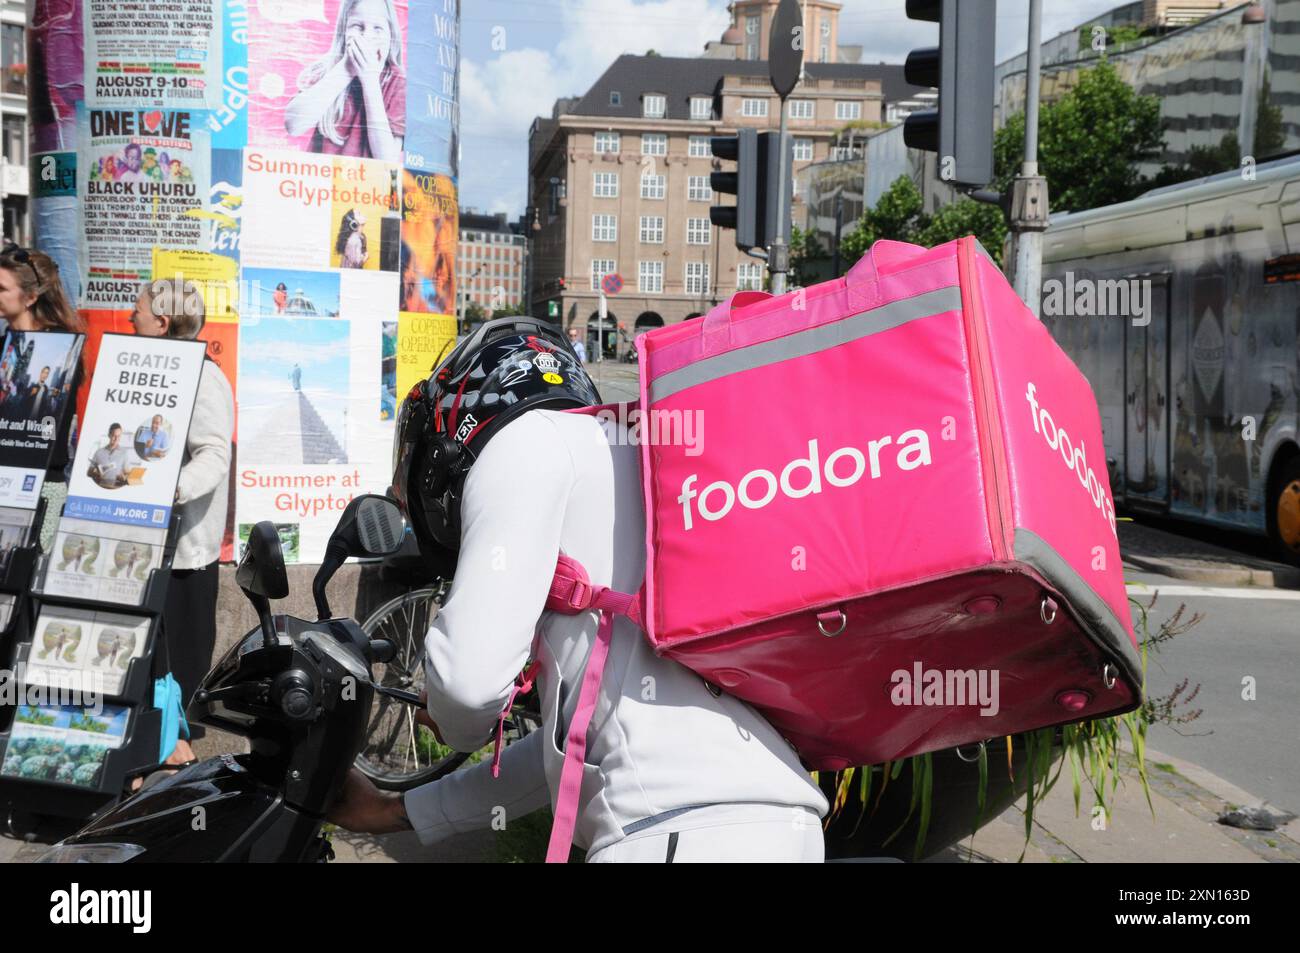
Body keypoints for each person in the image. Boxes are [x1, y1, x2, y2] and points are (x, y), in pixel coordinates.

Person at [328, 317, 828, 862]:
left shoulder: (526, 440)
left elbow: (467, 686)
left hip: (672, 832)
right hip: (778, 822)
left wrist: (450, 720)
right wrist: (397, 812)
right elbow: (571, 754)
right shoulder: (632, 455)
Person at [129, 278, 235, 768]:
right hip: (146, 537)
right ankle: (161, 750)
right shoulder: (156, 369)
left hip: (184, 546)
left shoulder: (203, 377)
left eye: (139, 312)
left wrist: (168, 491)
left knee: (182, 653)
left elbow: (213, 455)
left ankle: (179, 757)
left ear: (163, 322)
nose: (132, 319)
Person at [0, 244, 87, 548]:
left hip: (40, 485)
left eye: (2, 288)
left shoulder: (60, 349)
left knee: (25, 579)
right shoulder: (4, 345)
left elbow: (50, 424)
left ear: (31, 297)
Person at [282, 0, 406, 162]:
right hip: (320, 181)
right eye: (357, 26)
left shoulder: (398, 83)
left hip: (366, 185)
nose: (366, 36)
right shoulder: (327, 70)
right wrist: (346, 70)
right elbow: (294, 125)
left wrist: (369, 80)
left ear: (391, 36)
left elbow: (388, 159)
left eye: (378, 28)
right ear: (343, 31)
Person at [87, 423, 129, 488]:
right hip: (101, 487)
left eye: (119, 436)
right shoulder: (99, 452)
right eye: (114, 436)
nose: (116, 439)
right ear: (109, 435)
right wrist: (97, 474)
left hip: (116, 488)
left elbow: (126, 472)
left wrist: (124, 477)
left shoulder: (124, 453)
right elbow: (89, 473)